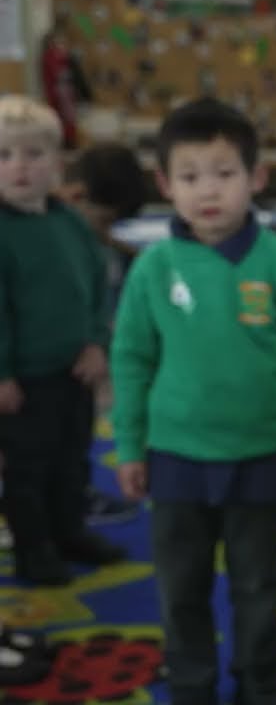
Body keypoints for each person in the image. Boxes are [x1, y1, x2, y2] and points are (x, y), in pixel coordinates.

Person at [111, 97, 276, 705]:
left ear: (256, 179)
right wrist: (128, 445)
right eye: (190, 176)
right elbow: (130, 361)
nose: (209, 192)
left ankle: (262, 684)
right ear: (164, 184)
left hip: (261, 456)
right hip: (174, 457)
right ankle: (191, 684)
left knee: (259, 587)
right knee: (182, 587)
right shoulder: (153, 269)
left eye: (225, 174)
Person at [0, 95, 126, 588]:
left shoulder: (69, 221)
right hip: (22, 379)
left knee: (73, 457)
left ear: (56, 163)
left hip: (74, 368)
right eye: (6, 155)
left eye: (33, 155)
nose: (20, 168)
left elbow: (98, 286)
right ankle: (35, 550)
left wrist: (96, 343)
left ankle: (69, 531)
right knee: (28, 470)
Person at [60, 143, 149, 525]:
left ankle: (72, 498)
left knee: (73, 425)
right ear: (76, 195)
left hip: (80, 355)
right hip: (42, 354)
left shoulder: (92, 244)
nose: (106, 233)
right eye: (103, 221)